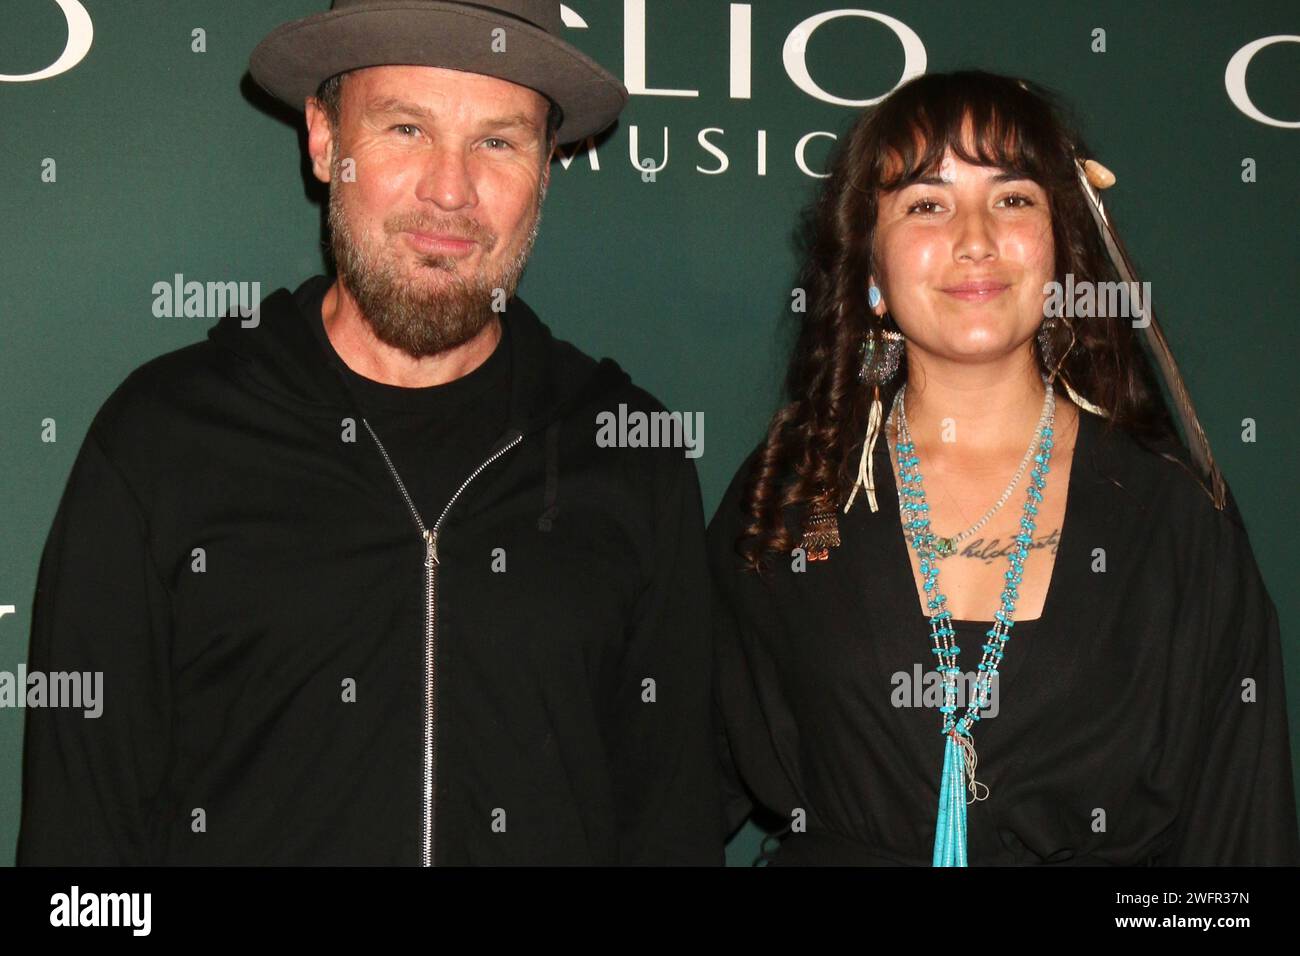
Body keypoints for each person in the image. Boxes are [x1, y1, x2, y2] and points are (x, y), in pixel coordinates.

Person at [18, 0, 721, 865]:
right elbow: (76, 859)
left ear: (547, 166)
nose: (450, 190)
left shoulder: (629, 452)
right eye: (405, 128)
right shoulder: (164, 439)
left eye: (497, 141)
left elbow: (673, 831)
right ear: (323, 139)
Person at [709, 70, 1300, 866]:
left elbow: (1240, 844)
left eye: (1014, 197)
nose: (976, 237)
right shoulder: (795, 493)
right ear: (871, 273)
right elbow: (673, 783)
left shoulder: (1175, 518)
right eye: (926, 203)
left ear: (1060, 247)